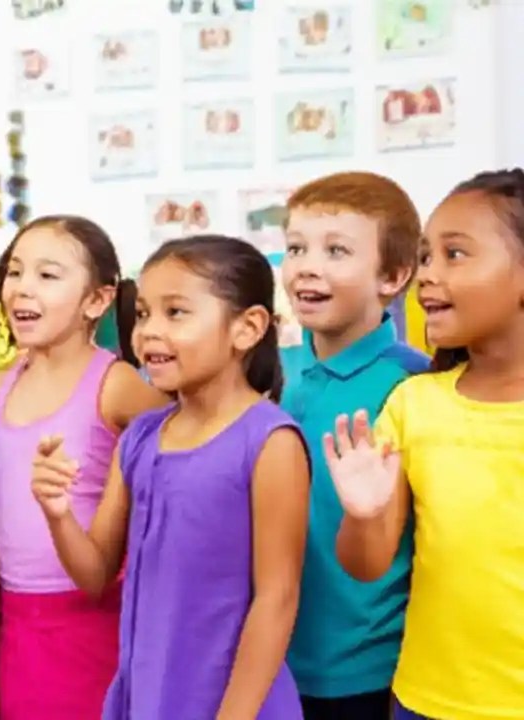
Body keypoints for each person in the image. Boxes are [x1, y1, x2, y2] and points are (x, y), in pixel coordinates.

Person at [33, 235, 310, 719]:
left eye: (175, 312)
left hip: (231, 703)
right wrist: (58, 515)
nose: (149, 332)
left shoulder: (270, 442)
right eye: (142, 314)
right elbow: (96, 574)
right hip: (147, 697)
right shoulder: (139, 438)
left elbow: (277, 598)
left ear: (247, 329)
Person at [328, 169, 524, 720]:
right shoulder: (414, 404)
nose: (427, 275)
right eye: (426, 257)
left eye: (454, 255)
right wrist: (363, 514)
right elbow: (366, 565)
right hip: (427, 701)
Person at [0, 216, 168, 719]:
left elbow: (186, 440)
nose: (21, 288)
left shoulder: (116, 384)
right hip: (11, 623)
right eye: (15, 272)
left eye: (48, 274)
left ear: (97, 301)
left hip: (91, 621)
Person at [278, 172, 426, 720]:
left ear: (392, 276)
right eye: (296, 248)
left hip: (368, 671)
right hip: (283, 658)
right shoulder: (285, 375)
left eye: (336, 250)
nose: (307, 266)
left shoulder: (411, 384)